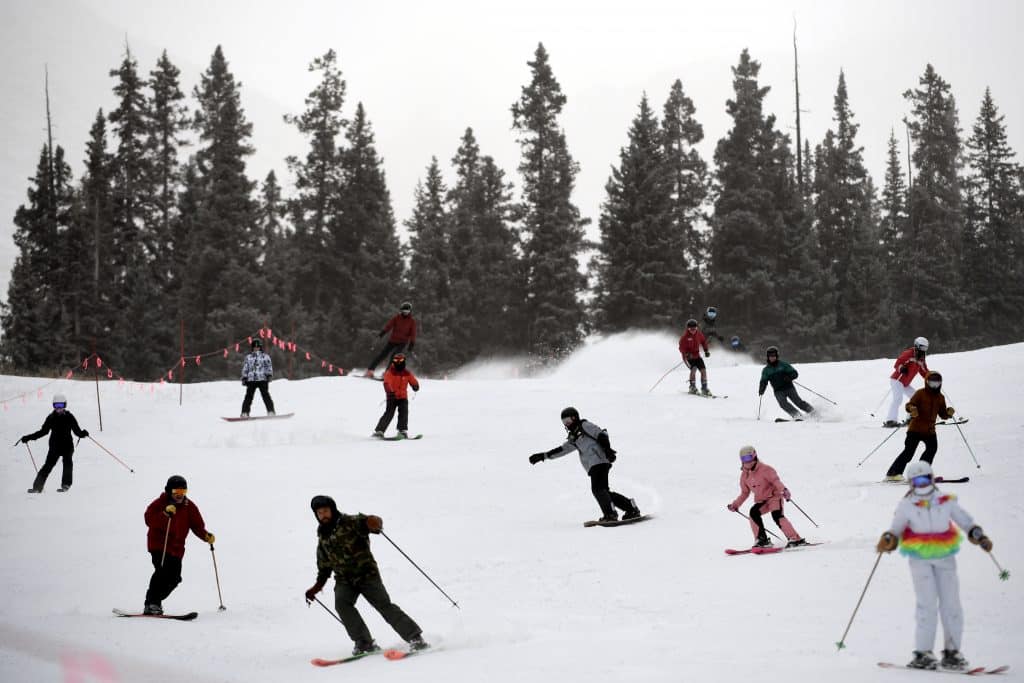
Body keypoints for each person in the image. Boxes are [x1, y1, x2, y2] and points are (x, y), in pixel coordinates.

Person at [875, 460, 993, 670]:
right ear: (911, 483)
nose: (921, 485)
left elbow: (964, 520)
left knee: (951, 605)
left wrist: (977, 534)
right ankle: (923, 653)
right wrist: (889, 539)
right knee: (926, 605)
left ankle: (952, 653)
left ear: (931, 478)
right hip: (919, 558)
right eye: (916, 481)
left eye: (924, 480)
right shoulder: (906, 504)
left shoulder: (944, 500)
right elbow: (896, 529)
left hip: (945, 556)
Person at [305, 495, 428, 656]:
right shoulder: (322, 536)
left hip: (367, 575)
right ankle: (364, 642)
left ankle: (415, 638)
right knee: (342, 604)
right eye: (319, 513)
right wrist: (316, 588)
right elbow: (324, 567)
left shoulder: (350, 522)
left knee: (384, 605)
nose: (323, 515)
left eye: (326, 511)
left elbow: (370, 522)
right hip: (344, 580)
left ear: (332, 510)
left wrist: (374, 522)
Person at [528, 407, 641, 523]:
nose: (566, 424)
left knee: (598, 489)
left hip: (599, 460)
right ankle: (631, 508)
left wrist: (608, 451)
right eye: (564, 422)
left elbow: (601, 435)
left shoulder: (585, 425)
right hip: (594, 464)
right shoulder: (574, 437)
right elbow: (563, 449)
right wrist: (543, 456)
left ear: (574, 417)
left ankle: (610, 514)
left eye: (568, 420)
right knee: (603, 491)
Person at [143, 475, 214, 615]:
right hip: (159, 545)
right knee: (162, 572)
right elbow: (149, 519)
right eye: (176, 492)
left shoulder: (189, 506)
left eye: (183, 492)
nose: (180, 495)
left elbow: (197, 526)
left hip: (177, 548)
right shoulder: (160, 503)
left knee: (175, 578)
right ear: (169, 491)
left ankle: (154, 601)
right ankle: (152, 603)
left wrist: (206, 536)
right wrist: (164, 514)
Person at [726, 445, 806, 548]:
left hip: (774, 498)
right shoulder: (744, 476)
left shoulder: (766, 469)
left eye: (749, 458)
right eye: (744, 459)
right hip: (761, 501)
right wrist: (735, 505)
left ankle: (795, 539)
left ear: (754, 456)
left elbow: (776, 481)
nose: (747, 462)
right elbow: (744, 493)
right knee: (753, 513)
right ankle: (762, 540)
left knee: (777, 515)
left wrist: (784, 490)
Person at [884, 372, 955, 482]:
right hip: (915, 429)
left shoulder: (940, 397)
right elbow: (909, 405)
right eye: (932, 383)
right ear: (927, 382)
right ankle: (893, 474)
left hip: (930, 431)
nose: (934, 385)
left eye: (937, 383)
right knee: (909, 452)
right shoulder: (920, 393)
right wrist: (912, 409)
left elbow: (943, 415)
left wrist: (948, 413)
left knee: (931, 449)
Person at [22, 393, 89, 493]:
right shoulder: (51, 418)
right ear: (53, 406)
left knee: (67, 464)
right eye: (56, 406)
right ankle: (37, 487)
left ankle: (66, 484)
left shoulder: (69, 417)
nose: (58, 408)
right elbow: (43, 432)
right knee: (47, 465)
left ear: (64, 405)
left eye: (61, 406)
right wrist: (29, 437)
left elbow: (76, 431)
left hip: (67, 446)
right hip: (55, 447)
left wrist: (82, 434)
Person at [884, 337, 930, 428]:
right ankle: (890, 420)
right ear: (917, 345)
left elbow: (923, 371)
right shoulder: (909, 353)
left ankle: (910, 419)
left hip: (905, 383)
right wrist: (901, 368)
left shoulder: (921, 358)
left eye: (925, 348)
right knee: (898, 398)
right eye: (922, 347)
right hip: (897, 380)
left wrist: (930, 377)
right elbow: (898, 363)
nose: (923, 350)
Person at [758, 346, 814, 419]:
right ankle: (797, 415)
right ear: (768, 357)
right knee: (783, 404)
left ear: (777, 356)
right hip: (778, 391)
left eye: (774, 356)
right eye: (770, 356)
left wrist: (789, 377)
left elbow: (795, 373)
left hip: (789, 388)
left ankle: (813, 412)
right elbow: (763, 381)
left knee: (798, 402)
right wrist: (762, 389)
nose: (772, 357)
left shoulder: (783, 365)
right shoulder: (766, 370)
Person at [372, 354, 420, 439]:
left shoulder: (406, 373)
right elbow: (386, 383)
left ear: (404, 361)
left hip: (403, 398)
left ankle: (402, 431)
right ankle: (379, 431)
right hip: (392, 397)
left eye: (400, 361)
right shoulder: (390, 372)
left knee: (404, 413)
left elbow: (413, 380)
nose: (398, 362)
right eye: (396, 360)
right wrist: (390, 392)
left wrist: (415, 385)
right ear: (393, 361)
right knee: (389, 413)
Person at [365, 302, 417, 377]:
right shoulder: (396, 318)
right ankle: (370, 370)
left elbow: (413, 333)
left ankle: (387, 373)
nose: (405, 313)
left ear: (410, 311)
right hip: (393, 340)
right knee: (382, 355)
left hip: (402, 342)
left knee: (394, 356)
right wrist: (381, 334)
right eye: (404, 311)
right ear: (401, 310)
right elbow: (388, 326)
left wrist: (411, 344)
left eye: (407, 311)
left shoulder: (412, 321)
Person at [240, 338, 275, 417]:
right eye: (254, 347)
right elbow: (246, 368)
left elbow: (268, 366)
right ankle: (245, 412)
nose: (256, 348)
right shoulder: (248, 357)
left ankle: (271, 411)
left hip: (262, 379)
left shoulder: (265, 357)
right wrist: (244, 377)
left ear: (260, 347)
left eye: (258, 347)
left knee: (265, 396)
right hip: (251, 380)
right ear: (252, 348)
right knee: (248, 397)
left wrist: (269, 375)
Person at [678, 318, 711, 396]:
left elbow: (703, 342)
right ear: (688, 328)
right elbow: (681, 348)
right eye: (691, 329)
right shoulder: (684, 337)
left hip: (697, 356)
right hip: (688, 358)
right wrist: (687, 354)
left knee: (703, 370)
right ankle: (692, 387)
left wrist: (706, 350)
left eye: (695, 328)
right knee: (693, 369)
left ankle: (704, 388)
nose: (693, 330)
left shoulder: (698, 334)